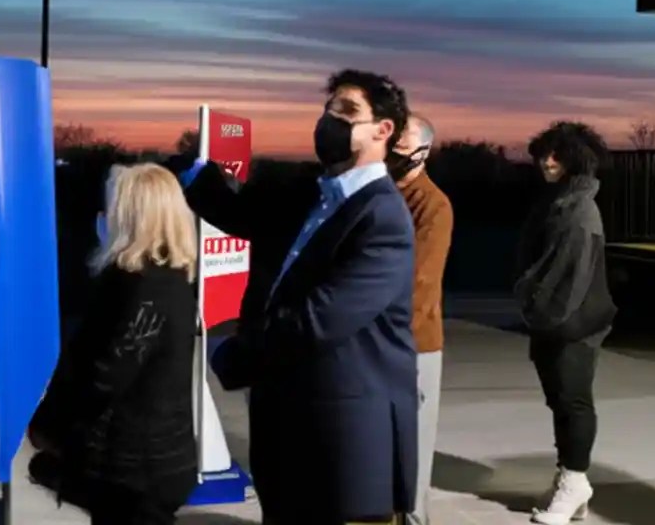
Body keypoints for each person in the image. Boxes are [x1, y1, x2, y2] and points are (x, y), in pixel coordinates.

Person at [180, 69, 418, 525]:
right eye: (328, 111)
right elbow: (243, 213)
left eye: (347, 112)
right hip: (287, 423)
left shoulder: (383, 218)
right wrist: (191, 174)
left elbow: (318, 320)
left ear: (383, 130)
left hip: (343, 442)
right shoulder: (313, 197)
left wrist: (232, 355)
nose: (330, 122)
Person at [28, 163, 200, 524]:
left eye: (113, 207)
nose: (104, 216)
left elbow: (104, 376)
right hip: (151, 463)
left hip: (134, 472)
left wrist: (51, 428)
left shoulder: (144, 289)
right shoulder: (165, 277)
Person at [515, 121, 618, 525]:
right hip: (554, 320)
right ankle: (571, 479)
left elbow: (568, 276)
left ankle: (575, 481)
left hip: (574, 322)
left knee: (574, 400)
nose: (547, 161)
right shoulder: (557, 201)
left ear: (576, 159)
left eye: (556, 154)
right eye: (543, 153)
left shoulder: (580, 210)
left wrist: (537, 306)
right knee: (560, 399)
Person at [388, 113, 454, 525]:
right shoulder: (385, 194)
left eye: (400, 151)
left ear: (422, 154)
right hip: (385, 343)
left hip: (414, 344)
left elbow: (418, 281)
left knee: (411, 462)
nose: (391, 157)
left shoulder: (432, 205)